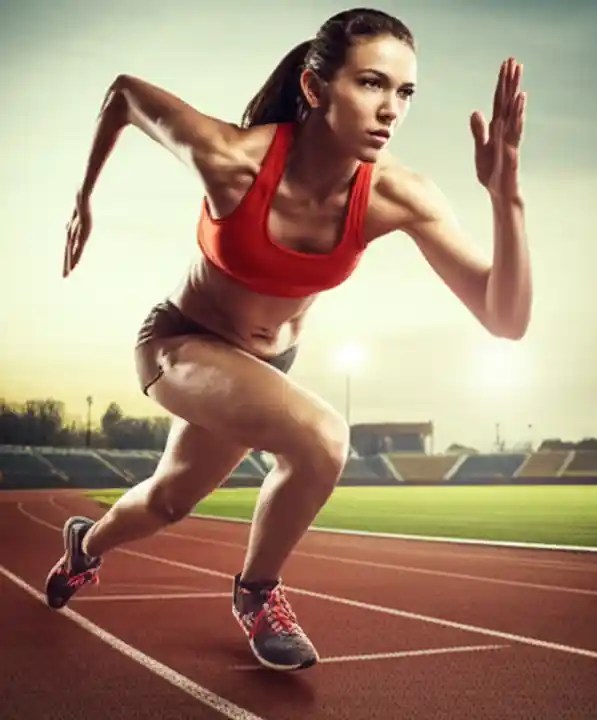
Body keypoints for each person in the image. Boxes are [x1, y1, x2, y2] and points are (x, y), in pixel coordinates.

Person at [45, 8, 531, 672]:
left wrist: (507, 198)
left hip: (264, 364)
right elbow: (124, 94)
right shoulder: (233, 159)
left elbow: (505, 318)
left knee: (168, 500)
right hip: (180, 343)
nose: (390, 109)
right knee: (322, 438)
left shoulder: (398, 194)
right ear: (314, 87)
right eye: (371, 83)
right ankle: (257, 594)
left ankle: (85, 546)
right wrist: (84, 197)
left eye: (404, 92)